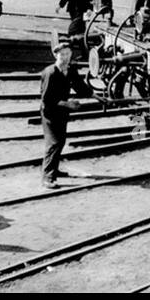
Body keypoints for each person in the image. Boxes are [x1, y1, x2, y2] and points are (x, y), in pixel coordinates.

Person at [39, 41, 93, 189]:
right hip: (50, 112)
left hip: (62, 112)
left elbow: (80, 87)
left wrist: (96, 96)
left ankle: (54, 170)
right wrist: (67, 104)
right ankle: (47, 178)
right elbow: (47, 99)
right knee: (53, 142)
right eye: (62, 55)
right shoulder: (50, 73)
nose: (65, 57)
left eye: (68, 54)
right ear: (56, 55)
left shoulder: (70, 70)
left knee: (61, 141)